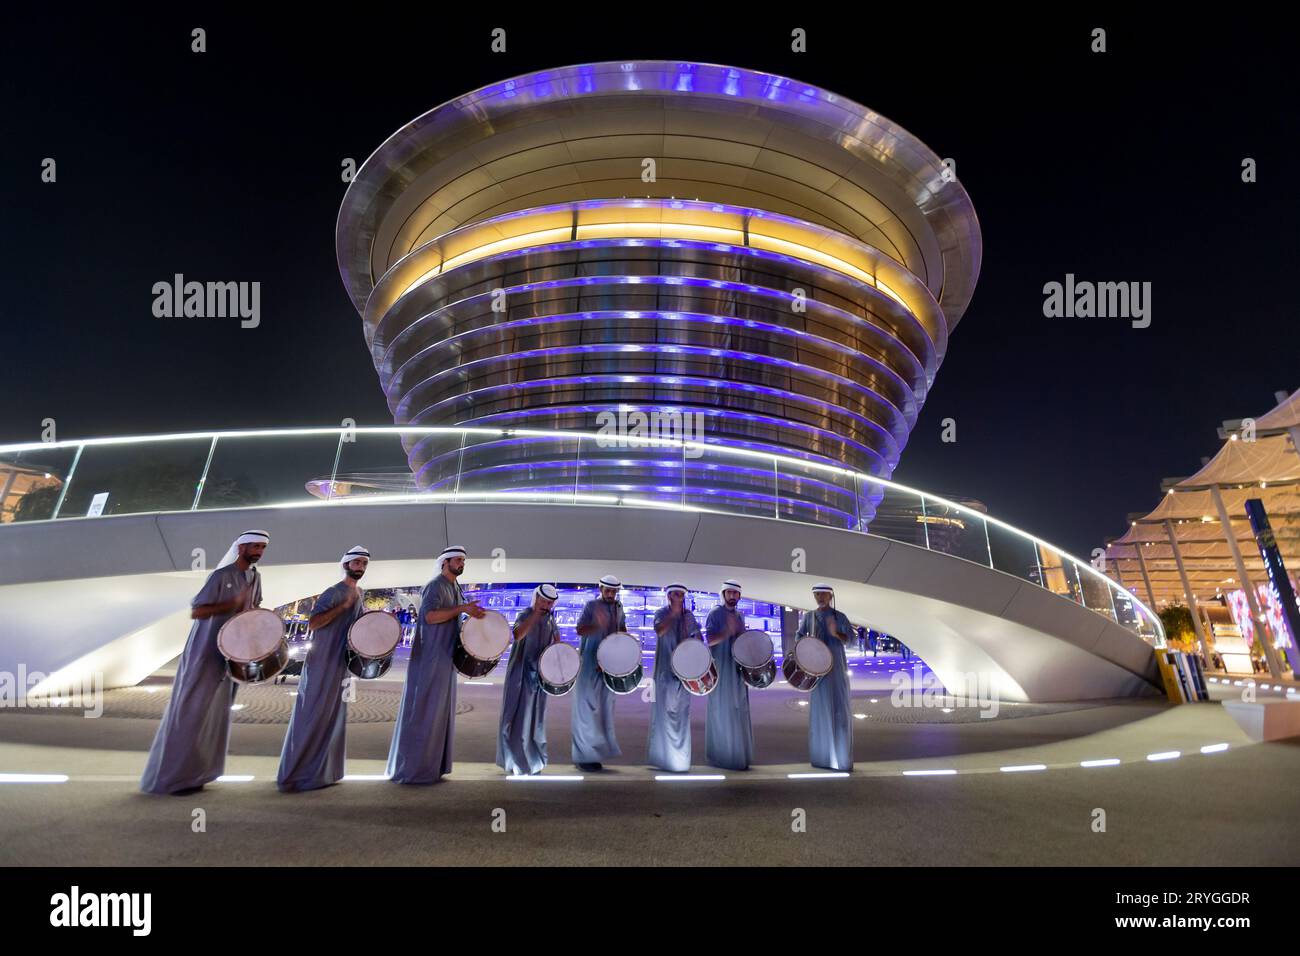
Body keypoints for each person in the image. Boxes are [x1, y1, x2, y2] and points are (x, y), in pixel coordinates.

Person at [140, 529, 269, 795]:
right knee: (192, 711)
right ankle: (170, 778)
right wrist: (229, 604)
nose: (258, 551)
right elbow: (198, 611)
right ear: (241, 547)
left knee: (215, 714)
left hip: (232, 654)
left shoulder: (256, 577)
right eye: (254, 546)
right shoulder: (221, 576)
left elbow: (252, 609)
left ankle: (197, 773)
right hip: (205, 652)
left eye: (262, 547)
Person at [387, 545, 485, 783]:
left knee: (438, 712)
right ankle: (414, 769)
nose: (461, 564)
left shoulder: (454, 587)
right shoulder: (435, 585)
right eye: (458, 560)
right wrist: (462, 608)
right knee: (424, 710)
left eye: (463, 561)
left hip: (445, 658)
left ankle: (432, 766)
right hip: (430, 658)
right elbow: (429, 616)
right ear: (445, 562)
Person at [276, 546, 370, 792]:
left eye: (364, 563)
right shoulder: (333, 592)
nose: (361, 566)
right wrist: (342, 607)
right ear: (346, 565)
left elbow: (357, 627)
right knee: (312, 713)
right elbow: (315, 623)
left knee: (333, 716)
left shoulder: (359, 594)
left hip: (342, 664)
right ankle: (296, 775)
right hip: (322, 662)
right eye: (357, 562)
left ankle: (323, 773)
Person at [496, 583, 561, 775]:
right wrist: (534, 615)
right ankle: (516, 762)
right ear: (536, 599)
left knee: (536, 719)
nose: (547, 606)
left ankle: (534, 761)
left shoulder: (550, 619)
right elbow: (517, 635)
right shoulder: (525, 615)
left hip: (540, 676)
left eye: (550, 603)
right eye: (543, 601)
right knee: (517, 716)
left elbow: (557, 641)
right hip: (521, 673)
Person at [795, 583, 854, 771]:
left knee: (839, 711)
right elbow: (798, 639)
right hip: (817, 673)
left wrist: (836, 633)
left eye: (824, 594)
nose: (820, 597)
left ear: (830, 596)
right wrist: (808, 646)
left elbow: (852, 641)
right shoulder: (809, 617)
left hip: (836, 671)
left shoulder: (840, 617)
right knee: (820, 713)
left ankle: (841, 758)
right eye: (817, 594)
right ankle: (821, 758)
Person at [572, 574, 627, 771]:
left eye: (614, 591)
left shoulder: (619, 608)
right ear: (601, 589)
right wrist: (598, 625)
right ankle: (583, 757)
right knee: (586, 708)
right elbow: (579, 629)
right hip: (589, 664)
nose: (611, 594)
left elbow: (622, 629)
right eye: (608, 590)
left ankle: (594, 755)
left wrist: (624, 643)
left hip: (609, 665)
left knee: (604, 709)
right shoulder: (591, 606)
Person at [647, 583, 701, 772]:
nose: (678, 597)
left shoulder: (689, 617)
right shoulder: (661, 613)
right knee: (663, 712)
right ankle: (663, 759)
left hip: (685, 673)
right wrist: (673, 614)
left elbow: (699, 639)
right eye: (675, 594)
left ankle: (680, 760)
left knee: (682, 714)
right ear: (669, 597)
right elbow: (660, 631)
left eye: (681, 595)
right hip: (665, 671)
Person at [705, 579, 754, 770]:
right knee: (721, 709)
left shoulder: (740, 616)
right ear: (724, 594)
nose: (732, 596)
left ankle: (738, 753)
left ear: (739, 596)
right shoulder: (715, 613)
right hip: (720, 669)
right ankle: (722, 756)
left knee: (738, 708)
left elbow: (741, 639)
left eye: (735, 593)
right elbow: (709, 639)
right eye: (729, 593)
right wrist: (727, 632)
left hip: (737, 669)